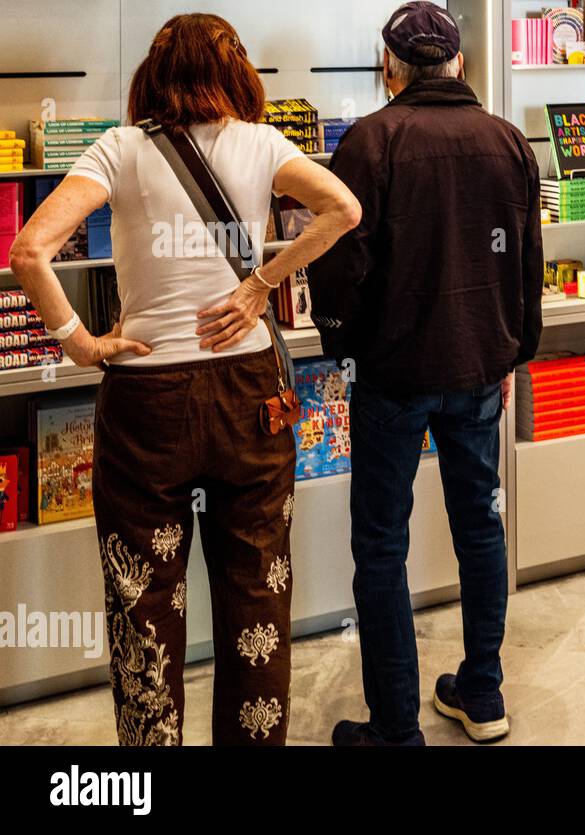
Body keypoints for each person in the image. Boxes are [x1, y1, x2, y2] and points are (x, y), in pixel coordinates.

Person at [8, 13, 360, 745]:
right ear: (234, 70)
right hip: (249, 395)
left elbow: (30, 250)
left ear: (153, 73)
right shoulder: (264, 144)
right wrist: (262, 282)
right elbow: (344, 209)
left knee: (144, 606)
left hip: (146, 397)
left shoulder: (120, 147)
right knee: (258, 601)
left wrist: (80, 342)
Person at [310, 2, 542, 746]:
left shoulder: (371, 142)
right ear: (460, 65)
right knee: (482, 525)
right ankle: (483, 692)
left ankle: (394, 727)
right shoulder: (508, 140)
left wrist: (343, 342)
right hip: (480, 367)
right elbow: (526, 264)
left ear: (391, 67)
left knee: (382, 542)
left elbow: (339, 269)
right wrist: (514, 351)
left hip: (392, 374)